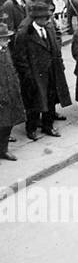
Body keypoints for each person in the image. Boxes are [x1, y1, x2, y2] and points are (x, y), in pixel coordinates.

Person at [12, 0, 71, 140]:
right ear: (36, 19)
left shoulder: (48, 28)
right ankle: (31, 129)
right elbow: (20, 58)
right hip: (34, 74)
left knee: (50, 101)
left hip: (50, 71)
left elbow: (55, 49)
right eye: (44, 18)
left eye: (47, 18)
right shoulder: (25, 33)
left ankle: (48, 126)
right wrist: (28, 76)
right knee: (34, 103)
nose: (47, 20)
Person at [0, 21, 26, 160]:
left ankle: (3, 150)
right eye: (5, 38)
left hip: (10, 92)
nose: (8, 40)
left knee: (7, 125)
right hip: (1, 97)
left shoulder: (5, 50)